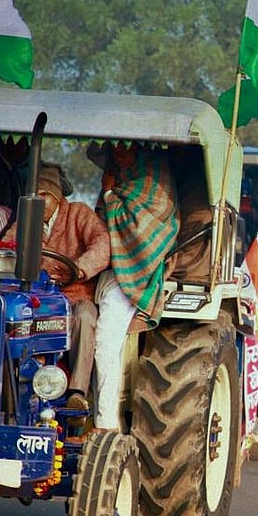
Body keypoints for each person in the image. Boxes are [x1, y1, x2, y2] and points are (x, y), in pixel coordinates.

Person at [87, 141, 178, 429]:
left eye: (125, 148)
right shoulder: (117, 181)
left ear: (139, 150)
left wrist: (111, 194)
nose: (119, 154)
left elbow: (142, 231)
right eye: (114, 149)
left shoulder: (154, 185)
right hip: (103, 269)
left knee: (104, 344)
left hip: (135, 272)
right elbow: (100, 224)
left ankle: (105, 423)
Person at [2, 164, 110, 407]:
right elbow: (7, 249)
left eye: (44, 195)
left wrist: (80, 267)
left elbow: (102, 243)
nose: (39, 201)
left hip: (74, 297)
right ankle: (16, 390)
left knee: (85, 317)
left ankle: (77, 393)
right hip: (36, 301)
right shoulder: (25, 223)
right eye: (35, 195)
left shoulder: (79, 214)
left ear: (57, 196)